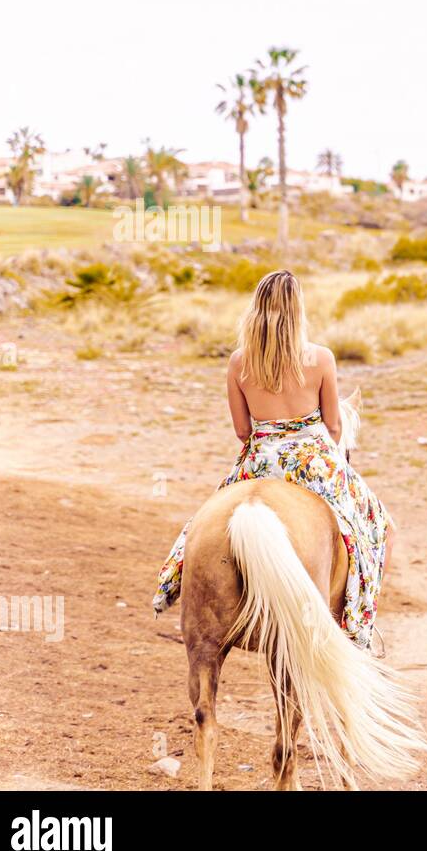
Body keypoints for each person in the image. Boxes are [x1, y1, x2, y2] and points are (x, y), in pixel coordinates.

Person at [152, 269, 394, 649]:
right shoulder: (321, 359)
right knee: (375, 523)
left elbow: (242, 431)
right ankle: (358, 625)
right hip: (312, 459)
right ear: (298, 310)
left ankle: (173, 581)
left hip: (261, 459)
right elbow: (333, 425)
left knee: (200, 525)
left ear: (256, 309)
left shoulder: (238, 362)